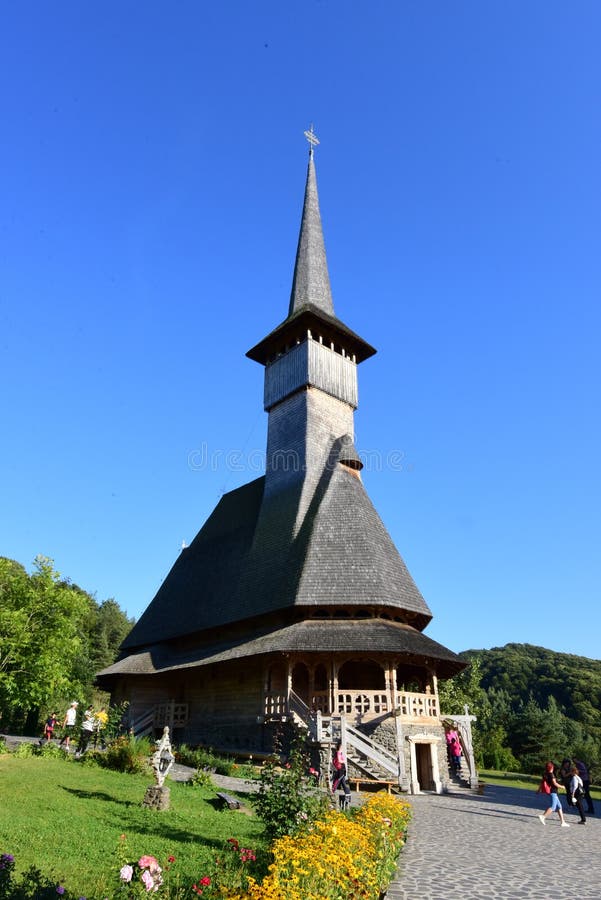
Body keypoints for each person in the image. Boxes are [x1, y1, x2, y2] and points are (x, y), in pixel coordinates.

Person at [537, 761, 569, 827]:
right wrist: (562, 787)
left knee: (559, 806)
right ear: (552, 767)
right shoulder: (551, 775)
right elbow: (555, 783)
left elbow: (542, 782)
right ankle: (543, 816)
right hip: (553, 792)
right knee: (553, 807)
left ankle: (562, 822)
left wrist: (538, 790)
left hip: (551, 792)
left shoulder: (545, 774)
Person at [331, 741, 351, 807]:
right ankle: (332, 791)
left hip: (341, 769)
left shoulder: (338, 753)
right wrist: (344, 761)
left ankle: (347, 794)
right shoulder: (338, 753)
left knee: (342, 782)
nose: (342, 747)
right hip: (340, 769)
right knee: (339, 780)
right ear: (339, 747)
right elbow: (339, 761)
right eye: (341, 746)